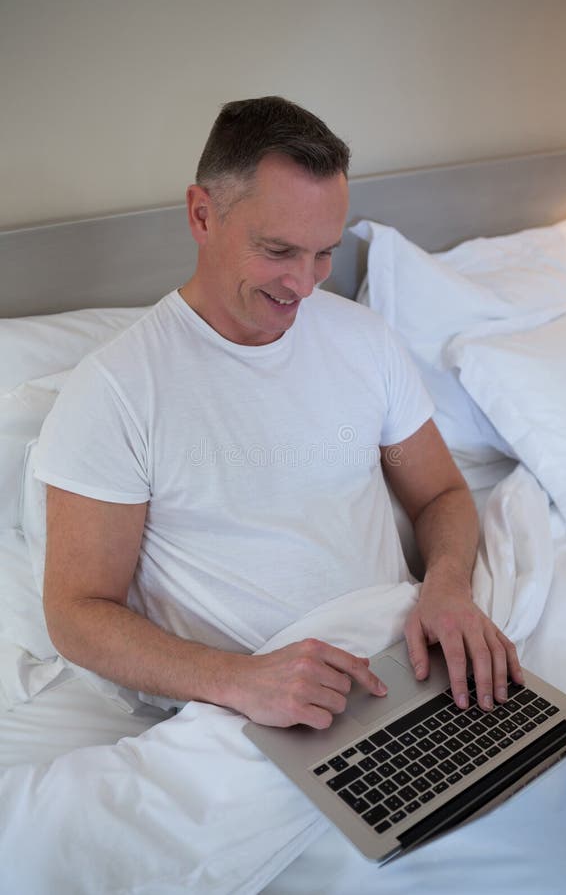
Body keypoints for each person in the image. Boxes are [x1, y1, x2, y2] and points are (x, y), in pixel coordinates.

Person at [37, 95, 522, 731]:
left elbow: (439, 493)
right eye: (277, 251)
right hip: (256, 713)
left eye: (323, 252)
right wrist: (239, 680)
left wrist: (448, 587)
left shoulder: (363, 340)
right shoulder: (118, 390)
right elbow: (77, 611)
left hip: (410, 670)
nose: (305, 283)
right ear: (202, 215)